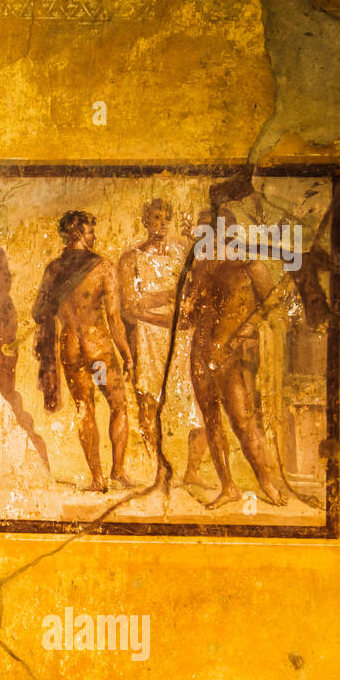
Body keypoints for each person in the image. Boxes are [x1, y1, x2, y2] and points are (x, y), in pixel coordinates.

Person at [185, 208, 291, 508]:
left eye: (207, 230)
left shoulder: (248, 263)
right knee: (212, 421)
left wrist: (251, 325)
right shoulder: (200, 267)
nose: (200, 237)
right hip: (202, 351)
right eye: (199, 231)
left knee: (243, 422)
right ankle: (228, 486)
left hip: (233, 353)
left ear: (225, 231)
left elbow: (272, 300)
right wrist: (187, 305)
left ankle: (266, 482)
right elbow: (192, 317)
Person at [33, 210, 135, 491]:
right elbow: (114, 320)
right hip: (98, 347)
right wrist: (127, 356)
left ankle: (97, 478)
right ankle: (118, 471)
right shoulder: (103, 268)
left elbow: (40, 311)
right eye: (90, 231)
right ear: (77, 232)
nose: (94, 236)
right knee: (118, 405)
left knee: (84, 408)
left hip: (71, 348)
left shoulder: (53, 270)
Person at [118, 198, 209, 484]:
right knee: (150, 401)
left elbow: (194, 289)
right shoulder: (131, 257)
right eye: (156, 217)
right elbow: (130, 306)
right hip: (150, 336)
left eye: (165, 217)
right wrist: (170, 300)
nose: (162, 223)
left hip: (184, 334)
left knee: (198, 400)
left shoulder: (183, 252)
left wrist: (188, 308)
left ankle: (192, 471)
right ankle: (160, 466)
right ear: (145, 221)